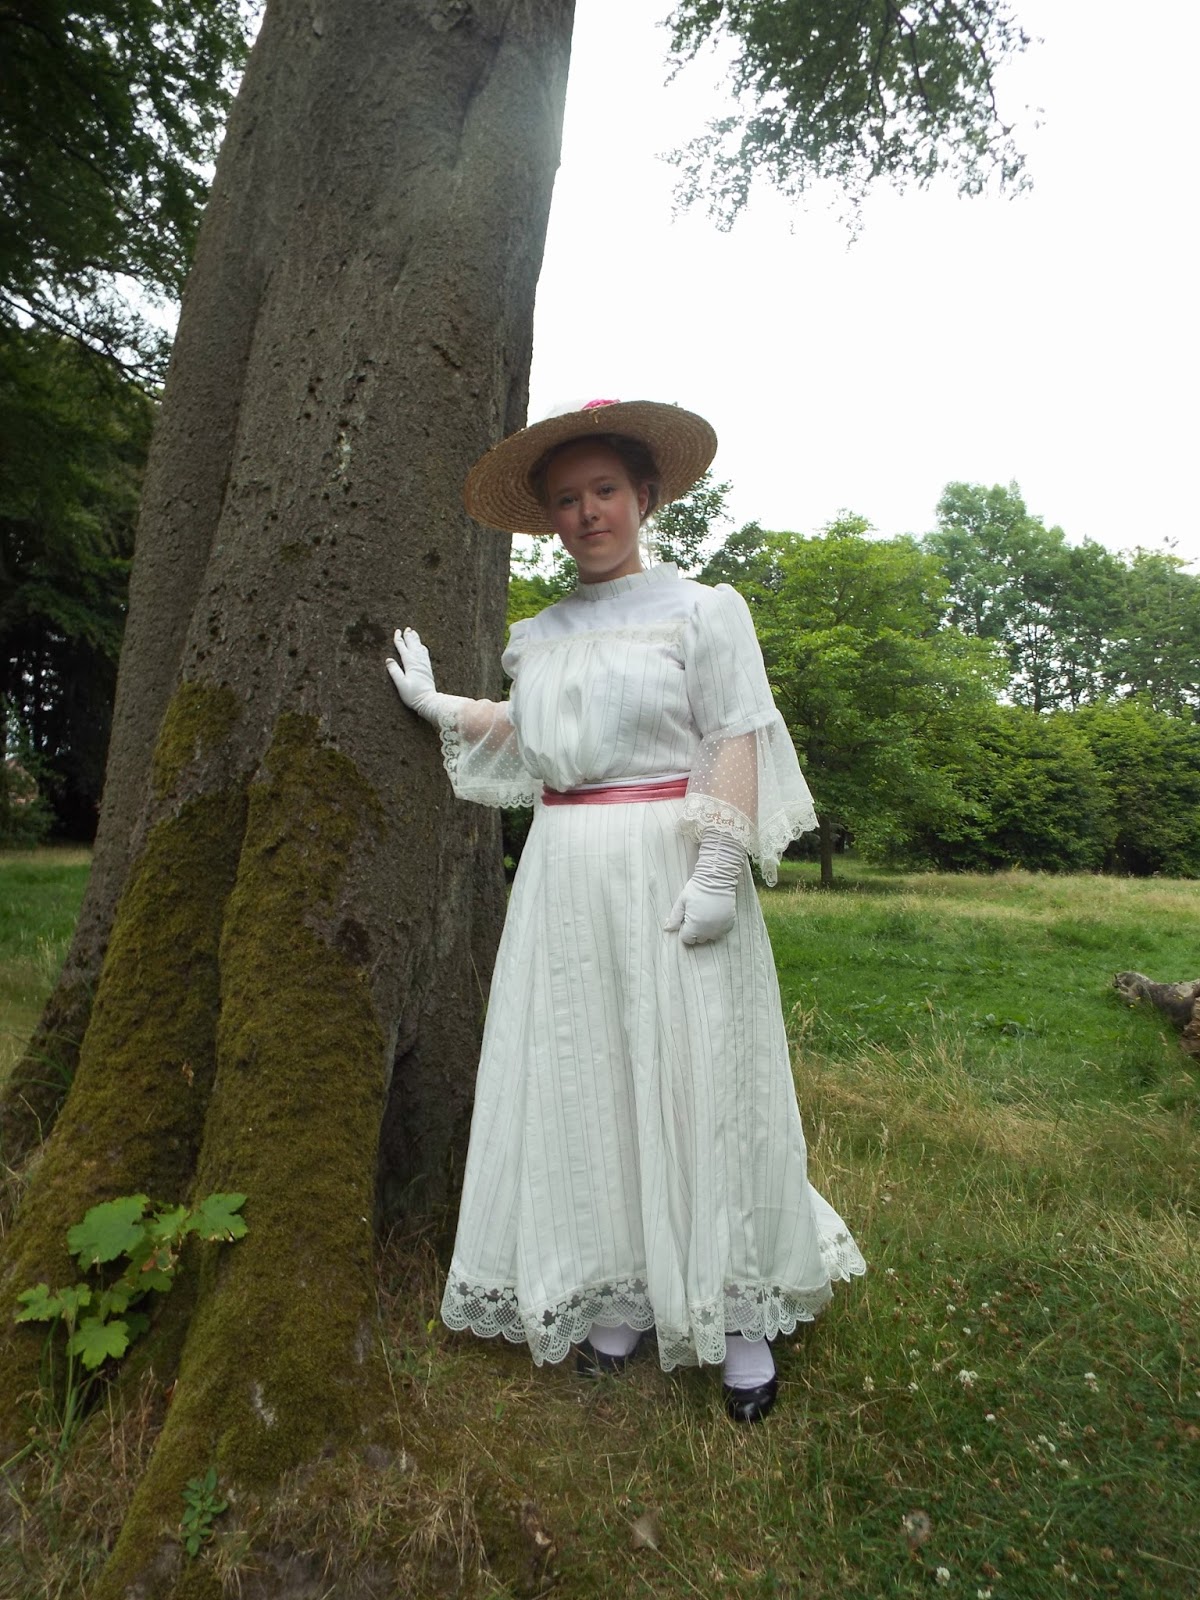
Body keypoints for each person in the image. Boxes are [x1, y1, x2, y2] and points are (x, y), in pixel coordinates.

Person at [386, 398, 864, 1422]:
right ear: (549, 518)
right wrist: (440, 707)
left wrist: (720, 872)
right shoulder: (543, 636)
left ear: (644, 497)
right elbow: (533, 730)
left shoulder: (704, 611)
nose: (587, 511)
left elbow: (734, 735)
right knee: (589, 1071)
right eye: (567, 499)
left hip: (669, 872)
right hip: (563, 880)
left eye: (604, 490)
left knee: (697, 1076)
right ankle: (620, 1291)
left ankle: (737, 1319)